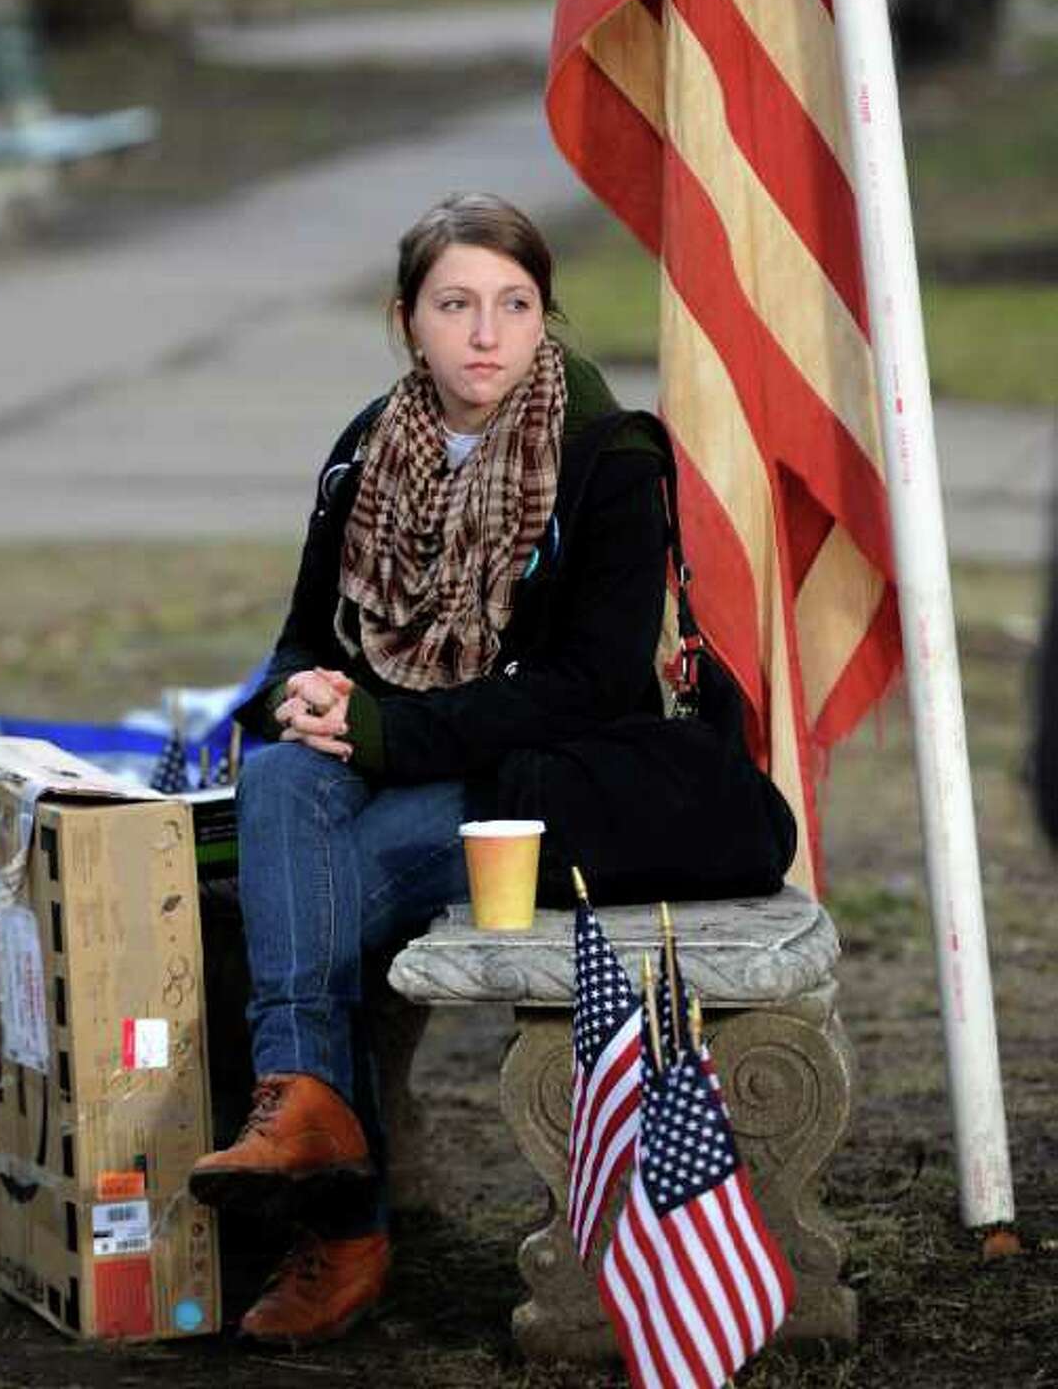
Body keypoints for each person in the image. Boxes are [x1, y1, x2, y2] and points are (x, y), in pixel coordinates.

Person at [189, 192, 795, 1345]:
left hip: (527, 780)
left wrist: (383, 731)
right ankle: (307, 1110)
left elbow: (593, 684)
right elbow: (304, 636)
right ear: (406, 319)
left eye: (514, 304)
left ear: (543, 314)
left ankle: (341, 1223)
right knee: (276, 781)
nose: (485, 333)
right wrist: (301, 694)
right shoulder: (367, 447)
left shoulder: (605, 456)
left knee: (310, 891)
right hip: (379, 751)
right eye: (455, 303)